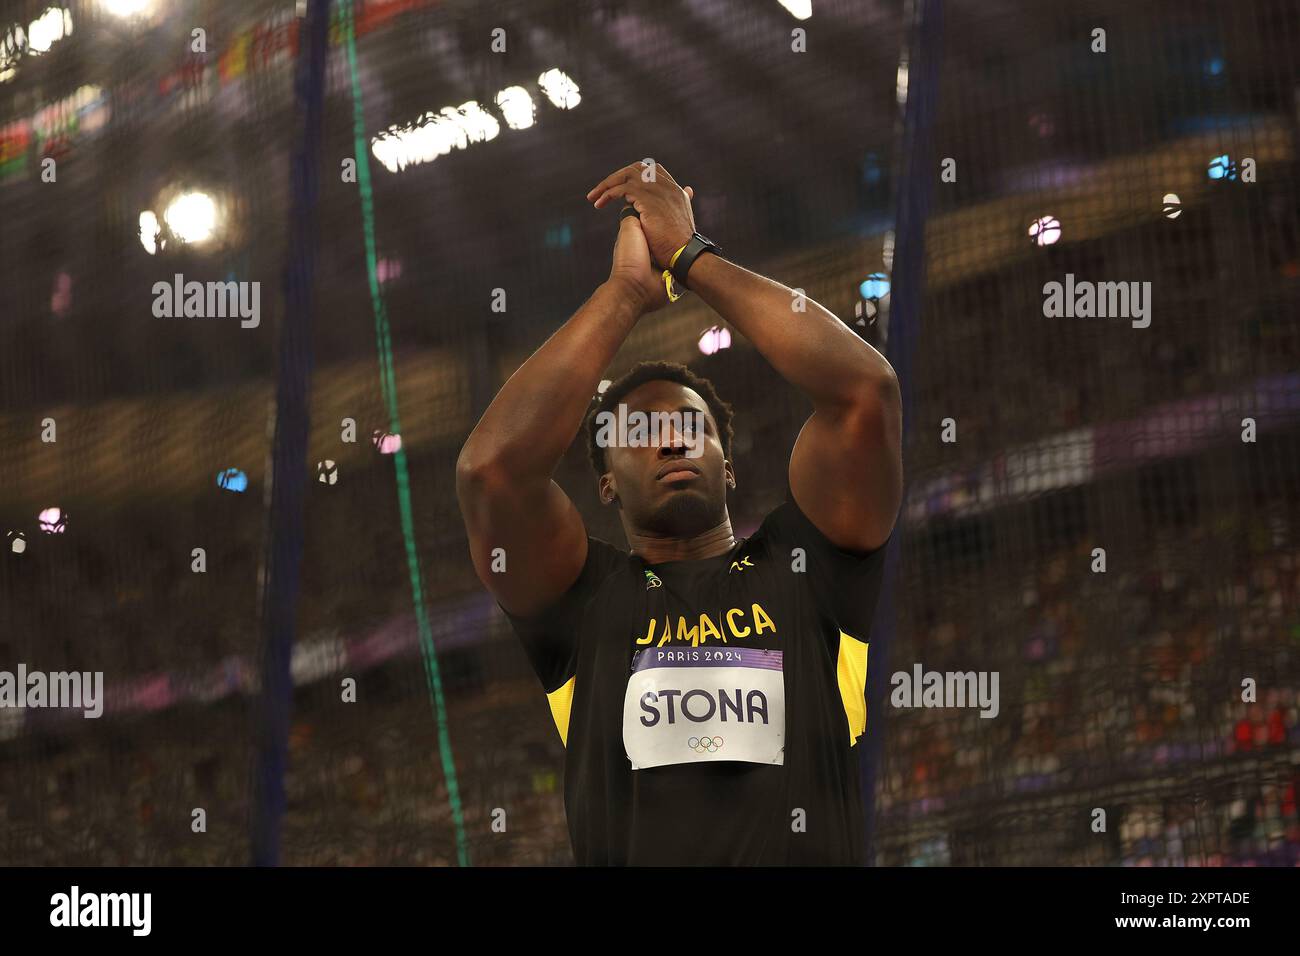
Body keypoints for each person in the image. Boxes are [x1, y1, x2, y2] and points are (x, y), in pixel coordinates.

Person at [456, 161, 902, 864]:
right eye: (636, 433)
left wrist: (692, 256)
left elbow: (864, 393)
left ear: (730, 463)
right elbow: (491, 472)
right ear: (605, 483)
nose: (669, 436)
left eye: (694, 428)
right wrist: (626, 292)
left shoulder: (808, 569)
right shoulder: (581, 603)